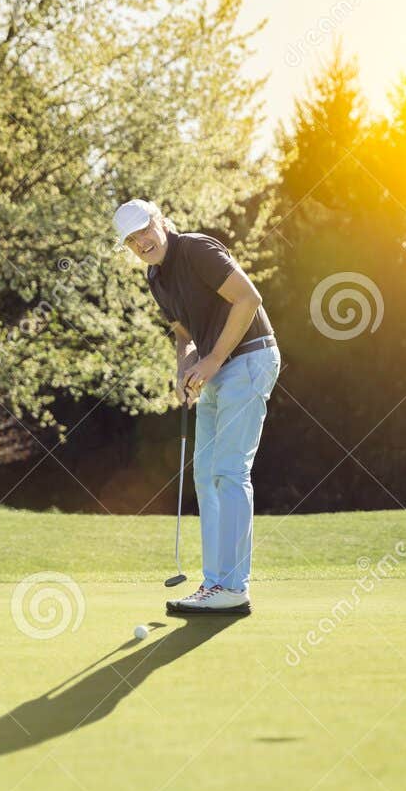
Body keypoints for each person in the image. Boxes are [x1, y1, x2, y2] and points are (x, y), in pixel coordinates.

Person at [112, 200, 280, 616]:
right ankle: (214, 583)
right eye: (132, 240)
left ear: (161, 221)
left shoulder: (196, 249)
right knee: (206, 475)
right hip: (216, 367)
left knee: (229, 471)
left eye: (144, 230)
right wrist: (185, 366)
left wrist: (211, 361)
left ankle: (234, 586)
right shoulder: (156, 278)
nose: (141, 242)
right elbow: (183, 331)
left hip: (250, 357)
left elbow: (248, 299)